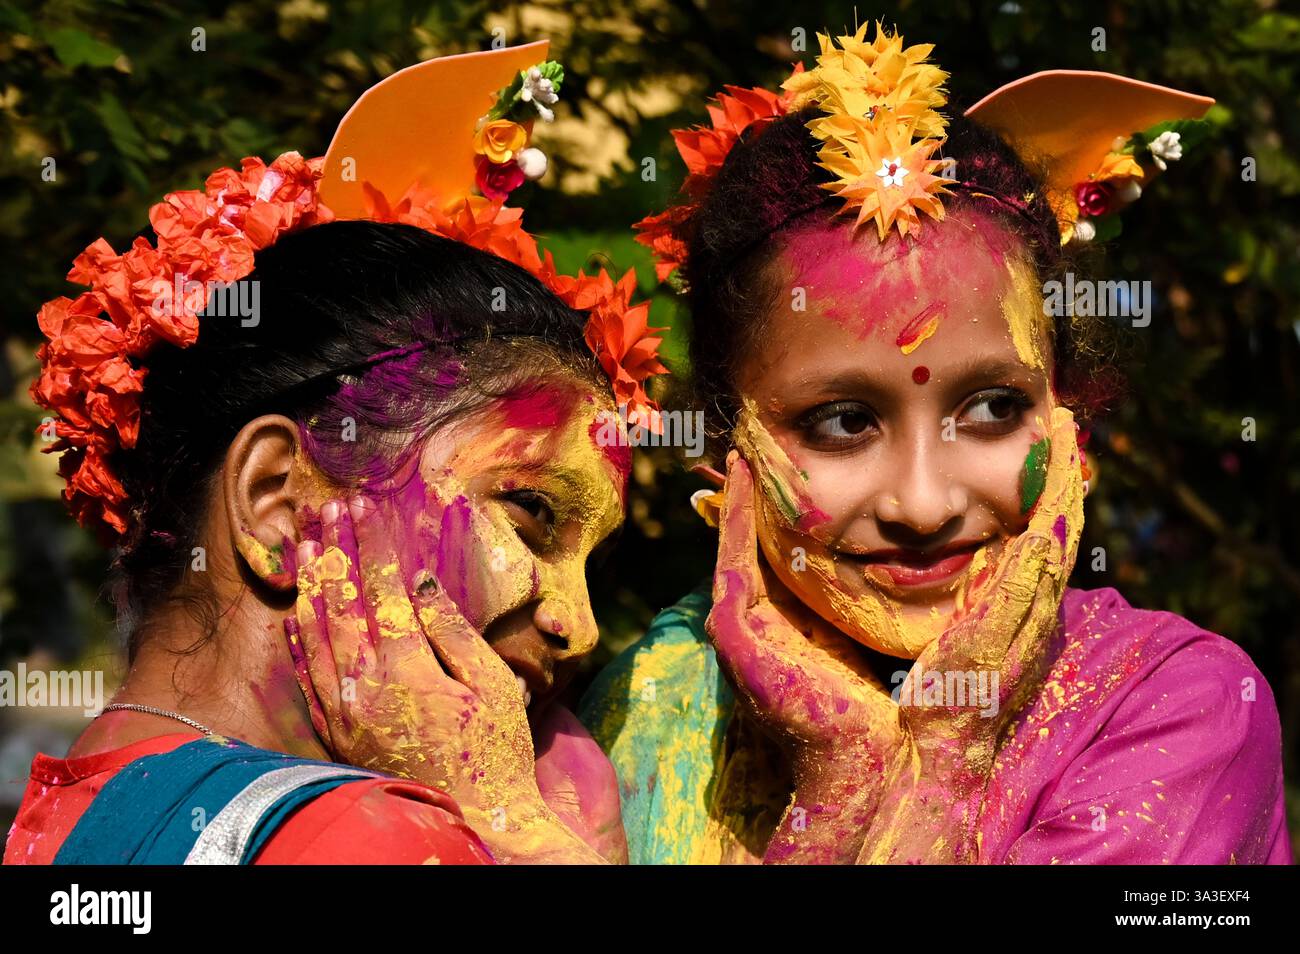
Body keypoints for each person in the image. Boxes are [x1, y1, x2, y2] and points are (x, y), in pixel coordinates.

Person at [579, 23, 1291, 864]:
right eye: (843, 423)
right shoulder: (647, 707)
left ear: (1065, 415)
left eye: (992, 407)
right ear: (731, 444)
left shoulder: (1181, 705)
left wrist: (940, 763)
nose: (923, 505)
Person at [5, 41, 659, 865]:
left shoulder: (63, 818)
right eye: (530, 511)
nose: (583, 627)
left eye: (590, 560)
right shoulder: (375, 837)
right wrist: (523, 833)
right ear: (277, 501)